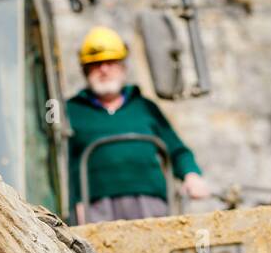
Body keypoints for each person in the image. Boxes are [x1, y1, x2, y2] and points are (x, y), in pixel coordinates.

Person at [66, 26, 210, 223]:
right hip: (95, 209)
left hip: (151, 204)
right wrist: (74, 204)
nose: (104, 69)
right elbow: (59, 165)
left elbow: (177, 150)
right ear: (85, 70)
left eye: (110, 62)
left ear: (123, 66)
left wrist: (191, 175)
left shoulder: (144, 107)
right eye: (96, 63)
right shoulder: (71, 111)